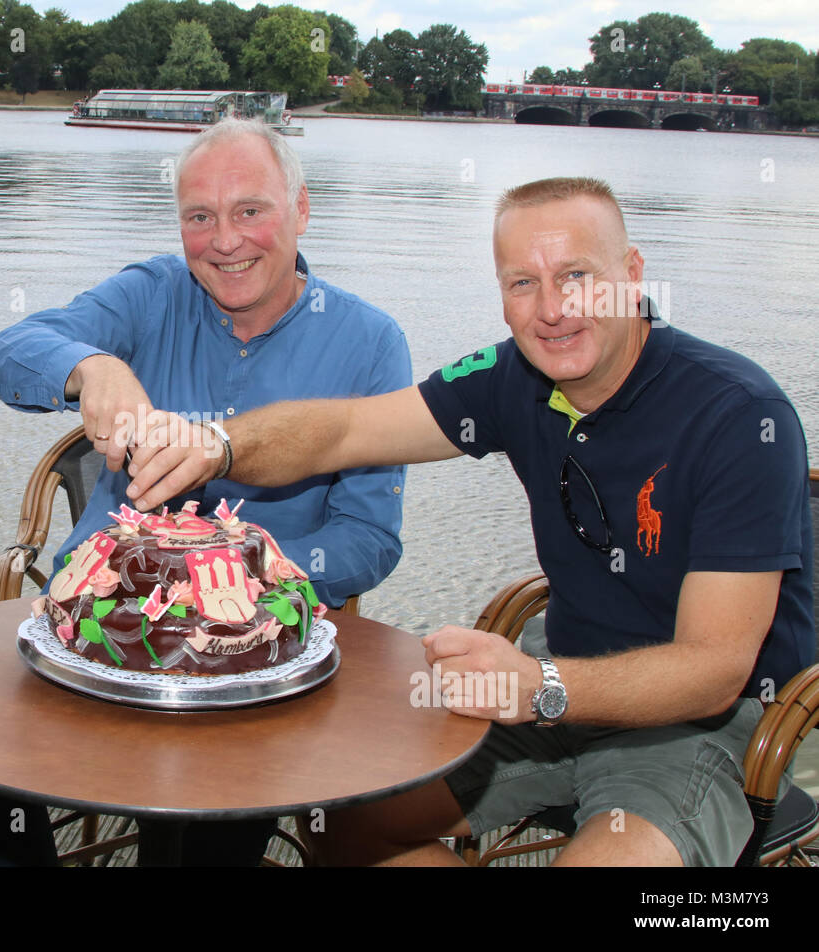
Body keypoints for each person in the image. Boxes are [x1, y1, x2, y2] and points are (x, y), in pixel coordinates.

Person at [125, 176, 813, 866]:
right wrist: (219, 445)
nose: (551, 311)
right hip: (557, 684)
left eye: (576, 276)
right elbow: (341, 431)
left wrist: (541, 688)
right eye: (521, 283)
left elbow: (715, 668)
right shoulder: (514, 374)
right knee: (339, 817)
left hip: (702, 726)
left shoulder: (738, 414)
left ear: (631, 275)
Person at [0, 117, 411, 864]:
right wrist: (92, 367)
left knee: (206, 826)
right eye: (199, 217)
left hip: (250, 658)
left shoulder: (370, 342)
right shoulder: (151, 293)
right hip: (99, 633)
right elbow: (4, 354)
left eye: (251, 210)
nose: (225, 240)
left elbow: (369, 538)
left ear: (301, 209)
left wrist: (236, 582)